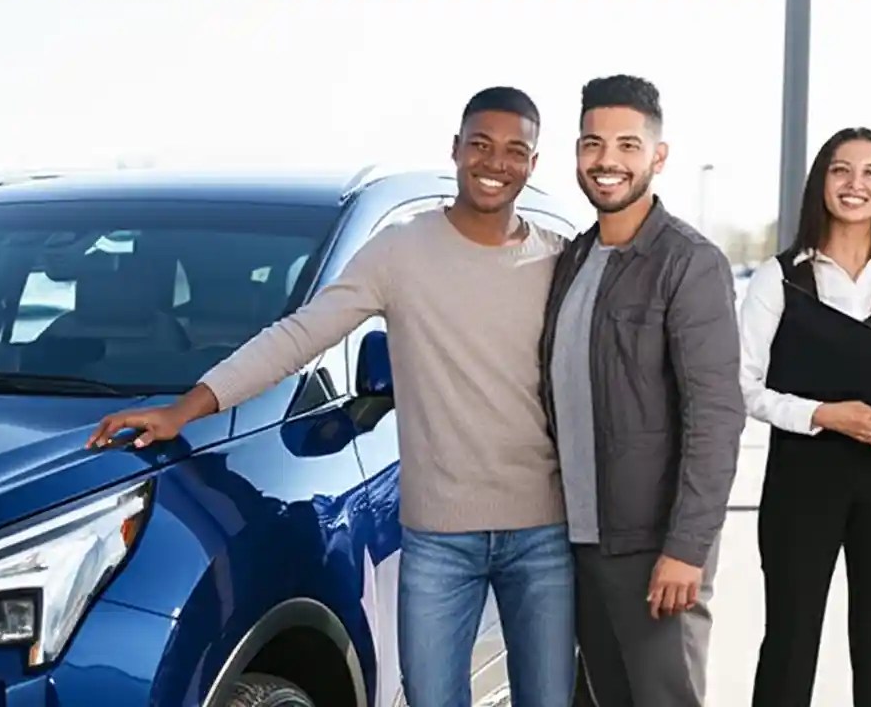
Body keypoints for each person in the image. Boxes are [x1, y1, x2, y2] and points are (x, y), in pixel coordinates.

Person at [87, 87, 577, 707]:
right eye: (480, 144)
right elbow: (298, 335)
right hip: (438, 536)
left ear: (533, 164)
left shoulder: (560, 259)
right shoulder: (400, 251)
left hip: (541, 532)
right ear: (456, 149)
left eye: (515, 151)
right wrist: (186, 407)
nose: (495, 162)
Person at [539, 74, 745, 707]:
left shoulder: (689, 262)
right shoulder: (573, 259)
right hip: (581, 538)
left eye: (628, 145)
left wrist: (685, 549)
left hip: (653, 546)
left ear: (658, 157)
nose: (607, 160)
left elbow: (716, 416)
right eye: (593, 143)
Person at [738, 126, 871, 706]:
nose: (855, 184)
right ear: (821, 182)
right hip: (801, 483)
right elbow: (744, 387)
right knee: (788, 646)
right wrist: (825, 414)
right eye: (841, 169)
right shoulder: (779, 278)